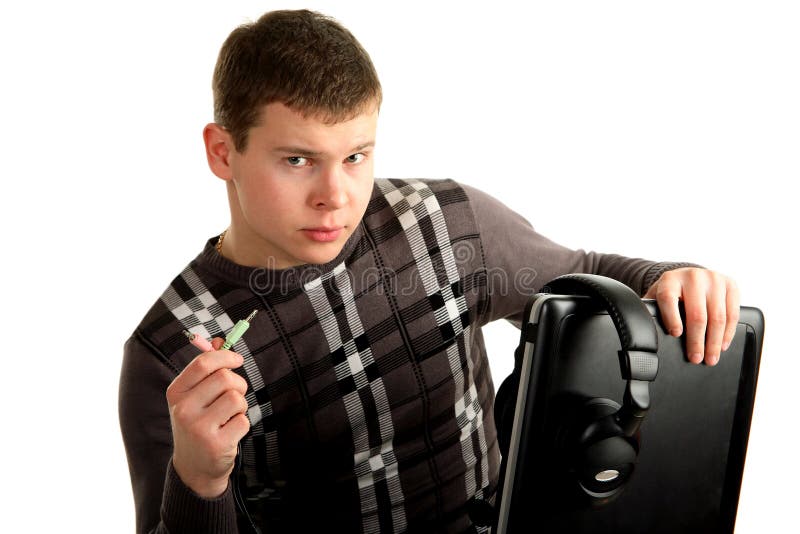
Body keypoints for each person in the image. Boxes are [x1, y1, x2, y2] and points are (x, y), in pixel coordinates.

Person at [119, 9, 740, 534]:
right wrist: (200, 479)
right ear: (223, 152)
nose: (335, 195)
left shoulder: (446, 223)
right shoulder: (166, 359)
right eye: (298, 159)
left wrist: (668, 276)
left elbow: (582, 279)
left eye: (356, 155)